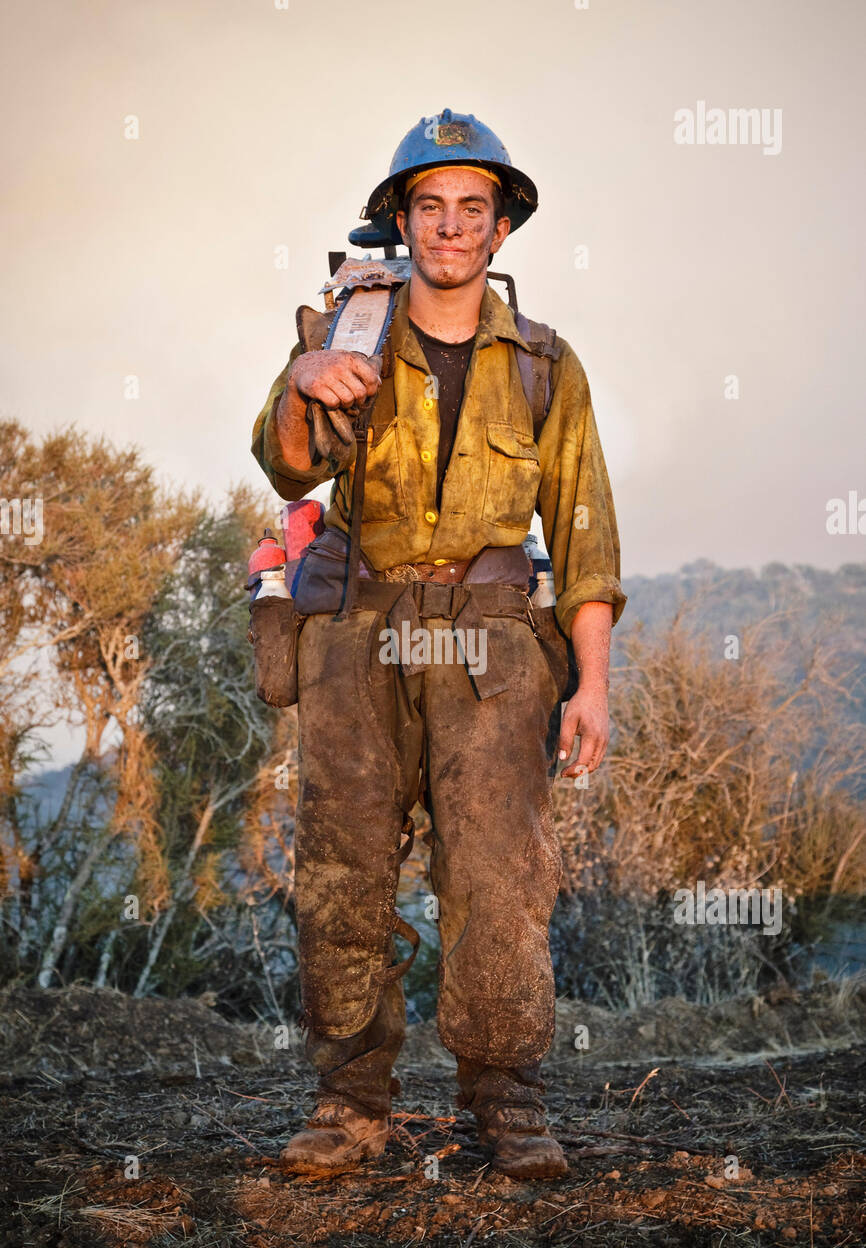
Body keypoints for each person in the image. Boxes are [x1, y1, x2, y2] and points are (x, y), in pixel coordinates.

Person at [251, 109, 626, 1180]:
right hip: (356, 636)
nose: (450, 227)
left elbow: (586, 532)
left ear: (500, 229)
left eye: (472, 208)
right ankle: (348, 1100)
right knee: (342, 868)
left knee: (499, 871)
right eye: (429, 206)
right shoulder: (344, 333)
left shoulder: (547, 364)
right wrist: (301, 384)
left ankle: (504, 1097)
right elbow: (284, 470)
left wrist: (589, 684)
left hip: (493, 644)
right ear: (398, 221)